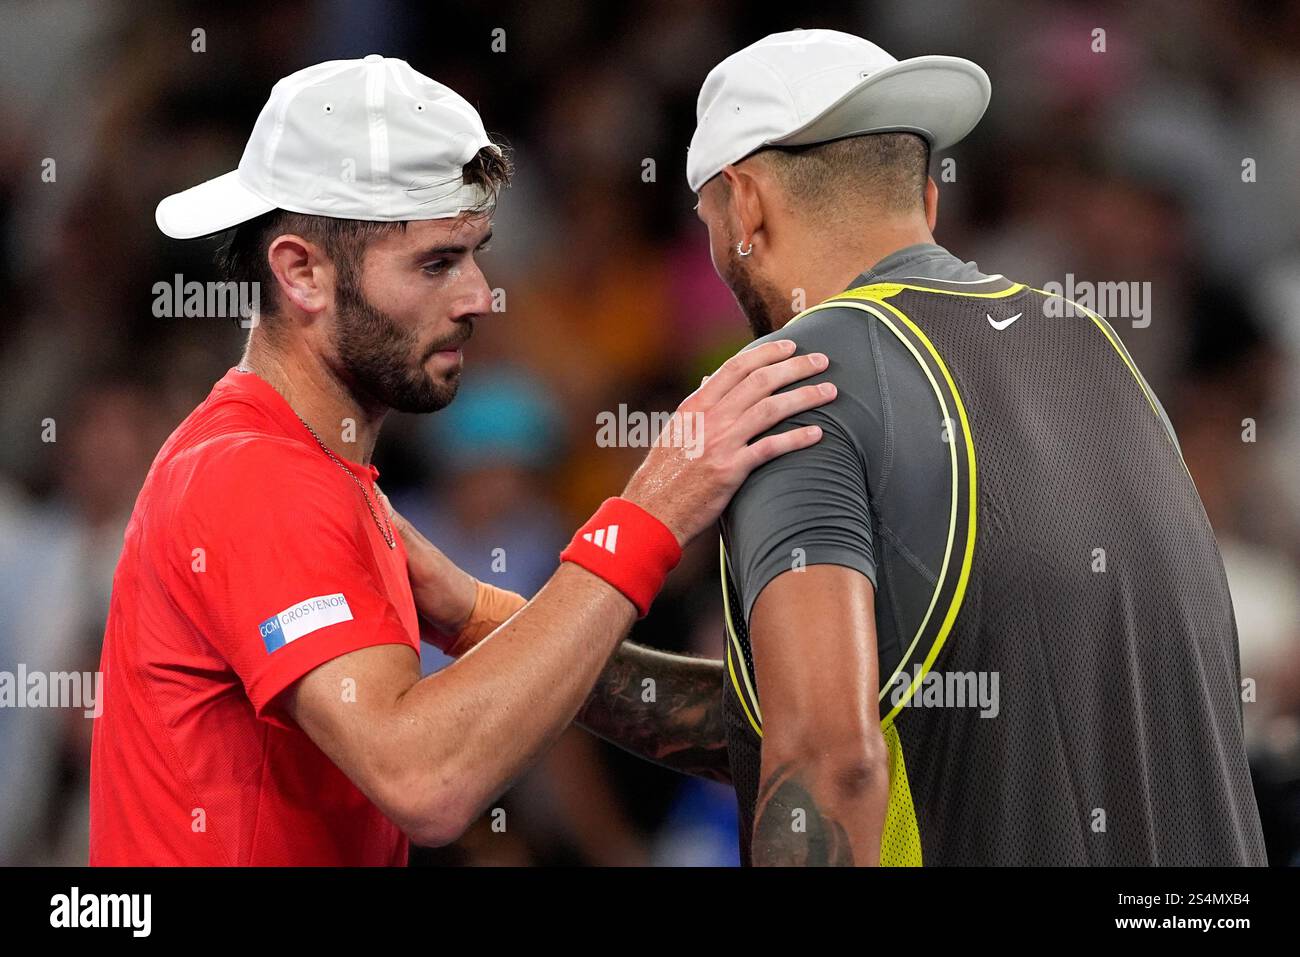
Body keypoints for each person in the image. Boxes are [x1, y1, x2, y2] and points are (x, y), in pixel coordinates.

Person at [452, 28, 1267, 867]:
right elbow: (818, 716)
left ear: (746, 206)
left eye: (706, 218)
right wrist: (494, 623)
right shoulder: (1098, 347)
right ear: (925, 200)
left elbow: (828, 764)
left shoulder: (798, 379)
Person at [89, 55, 836, 865]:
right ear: (302, 272)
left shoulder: (320, 476)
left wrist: (477, 614)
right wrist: (648, 514)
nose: (481, 295)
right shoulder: (255, 474)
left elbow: (737, 743)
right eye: (438, 262)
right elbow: (427, 781)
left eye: (476, 253)